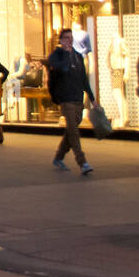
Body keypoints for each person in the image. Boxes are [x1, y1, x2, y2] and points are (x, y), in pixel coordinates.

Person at [46, 27, 99, 175]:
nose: (70, 41)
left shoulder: (78, 56)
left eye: (71, 38)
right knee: (74, 132)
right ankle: (82, 162)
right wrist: (66, 55)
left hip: (77, 97)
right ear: (61, 40)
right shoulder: (56, 56)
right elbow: (60, 70)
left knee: (71, 129)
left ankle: (59, 156)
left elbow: (83, 79)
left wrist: (92, 99)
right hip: (65, 98)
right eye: (66, 38)